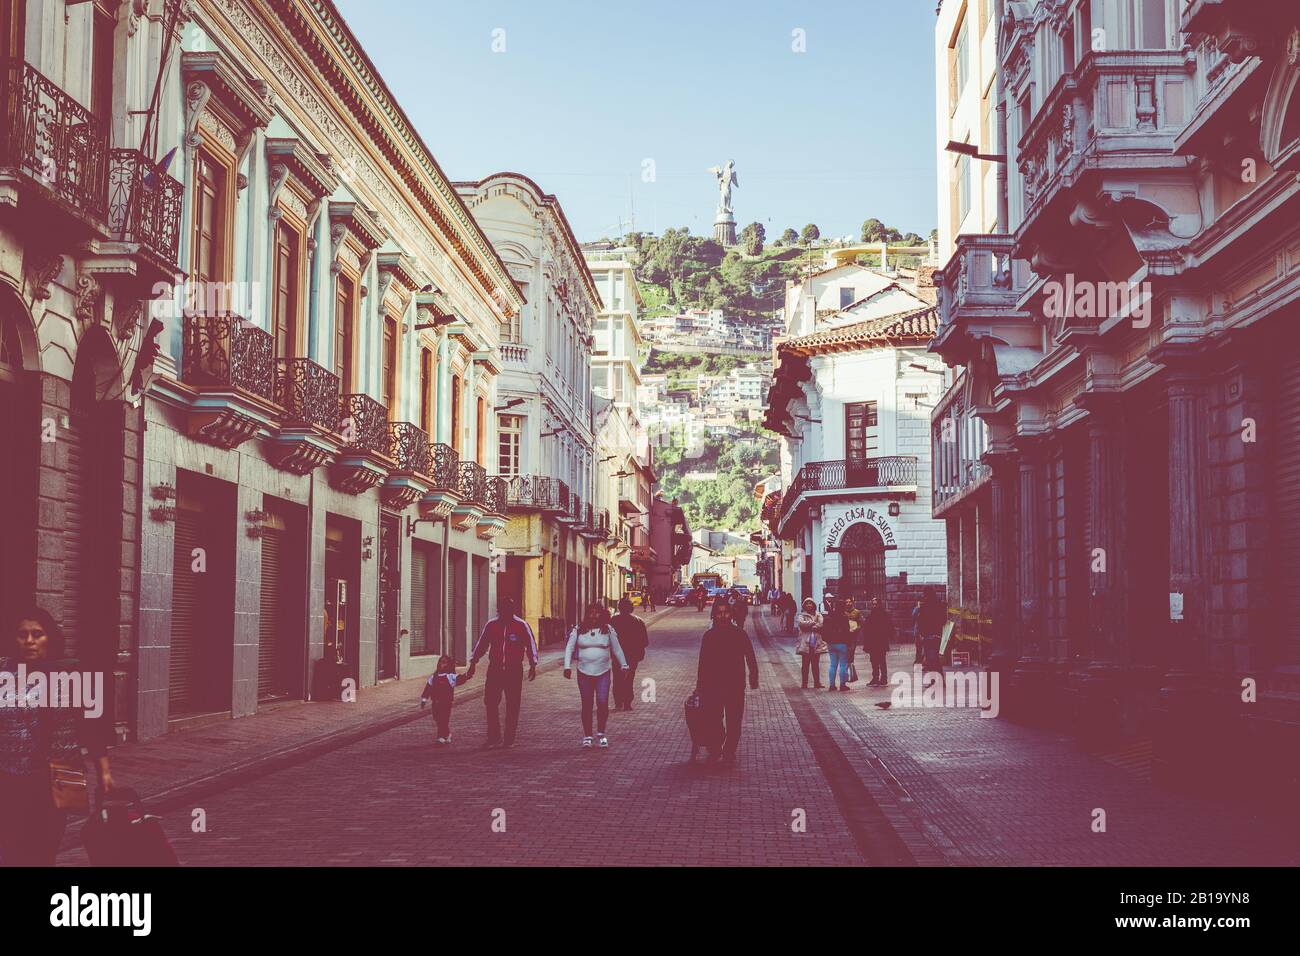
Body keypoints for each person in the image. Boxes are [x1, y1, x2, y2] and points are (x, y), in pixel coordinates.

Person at [2, 608, 114, 866]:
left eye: (37, 634)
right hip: (8, 782)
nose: (29, 641)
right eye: (22, 635)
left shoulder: (69, 676)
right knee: (11, 852)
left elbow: (91, 727)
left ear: (49, 638)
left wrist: (104, 773)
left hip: (54, 781)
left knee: (43, 851)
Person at [467, 596, 537, 749]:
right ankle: (494, 737)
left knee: (513, 704)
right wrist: (473, 662)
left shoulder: (521, 625)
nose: (506, 612)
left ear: (513, 610)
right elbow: (482, 644)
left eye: (509, 609)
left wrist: (533, 664)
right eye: (503, 609)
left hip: (514, 670)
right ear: (499, 610)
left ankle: (509, 738)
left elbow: (530, 644)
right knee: (490, 702)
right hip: (495, 669)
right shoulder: (492, 625)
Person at [695, 600, 759, 765]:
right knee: (713, 719)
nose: (723, 616)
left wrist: (753, 676)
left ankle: (729, 752)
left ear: (731, 614)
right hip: (713, 686)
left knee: (734, 721)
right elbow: (703, 663)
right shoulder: (709, 636)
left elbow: (750, 656)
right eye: (719, 613)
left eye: (726, 612)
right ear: (714, 615)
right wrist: (700, 686)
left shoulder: (739, 634)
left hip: (735, 685)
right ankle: (715, 749)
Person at [564, 603, 628, 749]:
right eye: (591, 612)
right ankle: (587, 736)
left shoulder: (608, 629)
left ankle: (601, 734)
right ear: (587, 614)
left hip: (603, 672)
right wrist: (567, 666)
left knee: (602, 702)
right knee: (587, 704)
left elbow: (617, 649)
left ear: (601, 614)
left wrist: (624, 664)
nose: (593, 615)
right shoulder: (578, 629)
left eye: (597, 612)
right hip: (584, 672)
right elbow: (569, 648)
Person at [420, 654, 473, 745]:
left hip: (446, 702)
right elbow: (428, 688)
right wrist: (424, 699)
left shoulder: (450, 676)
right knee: (437, 718)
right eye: (440, 662)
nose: (441, 664)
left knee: (443, 719)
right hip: (435, 702)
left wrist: (469, 673)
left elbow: (461, 678)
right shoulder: (434, 677)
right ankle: (447, 733)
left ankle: (440, 737)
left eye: (444, 662)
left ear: (448, 665)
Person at [611, 597, 649, 711]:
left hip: (617, 656)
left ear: (619, 608)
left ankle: (618, 702)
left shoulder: (613, 620)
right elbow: (645, 641)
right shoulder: (639, 621)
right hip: (632, 655)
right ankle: (627, 703)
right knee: (629, 679)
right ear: (631, 608)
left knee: (617, 678)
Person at [822, 596, 853, 692]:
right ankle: (842, 685)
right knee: (843, 665)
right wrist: (849, 644)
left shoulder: (829, 616)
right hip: (842, 643)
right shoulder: (844, 617)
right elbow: (847, 631)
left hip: (831, 643)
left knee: (833, 665)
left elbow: (824, 629)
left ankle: (832, 685)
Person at [794, 597, 825, 689]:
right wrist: (812, 623)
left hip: (816, 642)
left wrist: (812, 625)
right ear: (804, 605)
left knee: (815, 664)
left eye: (810, 603)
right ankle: (804, 683)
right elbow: (801, 623)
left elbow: (821, 623)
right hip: (805, 643)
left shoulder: (818, 614)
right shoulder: (801, 615)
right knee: (805, 665)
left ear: (813, 605)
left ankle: (817, 683)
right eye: (807, 603)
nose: (809, 605)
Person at [863, 597, 894, 686]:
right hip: (873, 642)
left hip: (881, 642)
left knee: (882, 661)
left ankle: (883, 678)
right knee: (874, 661)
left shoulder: (884, 615)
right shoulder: (870, 616)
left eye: (876, 604)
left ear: (879, 604)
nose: (874, 606)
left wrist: (889, 636)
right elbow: (866, 630)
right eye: (873, 604)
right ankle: (875, 678)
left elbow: (890, 627)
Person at [917, 588, 947, 672]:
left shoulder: (924, 606)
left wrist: (921, 633)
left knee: (929, 657)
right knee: (935, 656)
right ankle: (938, 676)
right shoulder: (940, 605)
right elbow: (944, 620)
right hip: (937, 633)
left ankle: (934, 676)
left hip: (927, 634)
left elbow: (920, 621)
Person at [843, 596, 864, 684]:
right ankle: (845, 673)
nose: (848, 603)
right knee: (845, 654)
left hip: (853, 636)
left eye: (849, 602)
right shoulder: (843, 612)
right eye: (846, 602)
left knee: (851, 653)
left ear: (852, 602)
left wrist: (856, 629)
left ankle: (851, 673)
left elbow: (861, 623)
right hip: (845, 636)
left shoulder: (857, 612)